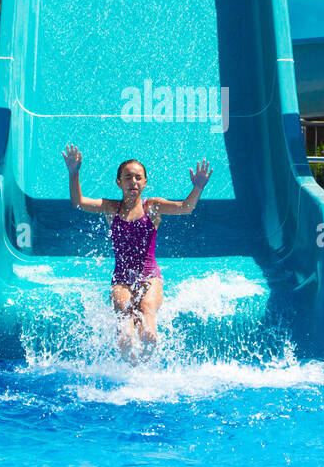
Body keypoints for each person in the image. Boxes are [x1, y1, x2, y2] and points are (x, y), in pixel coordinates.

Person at [62, 145, 212, 362]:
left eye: (138, 177)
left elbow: (186, 207)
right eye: (128, 177)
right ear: (119, 182)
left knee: (146, 311)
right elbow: (78, 203)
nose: (133, 181)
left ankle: (147, 355)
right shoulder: (111, 208)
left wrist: (198, 187)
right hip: (122, 280)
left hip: (150, 277)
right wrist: (74, 172)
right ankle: (130, 361)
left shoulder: (153, 207)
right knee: (125, 316)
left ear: (145, 182)